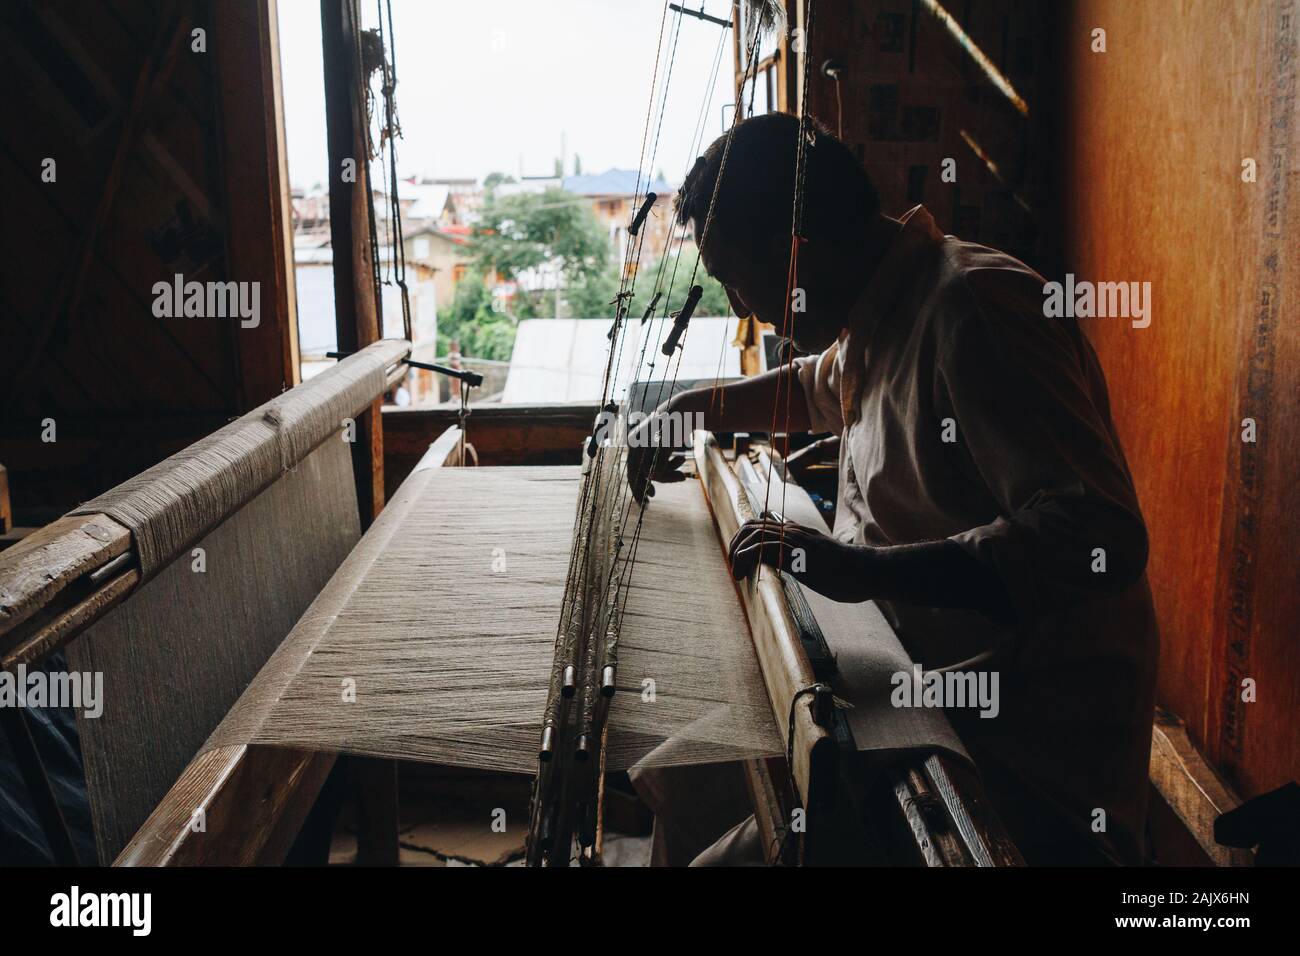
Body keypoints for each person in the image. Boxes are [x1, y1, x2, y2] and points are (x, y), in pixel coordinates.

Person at [627, 112, 1159, 866]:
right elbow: (816, 388)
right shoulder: (880, 312)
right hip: (907, 677)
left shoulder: (977, 309)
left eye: (741, 285)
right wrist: (692, 410)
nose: (746, 311)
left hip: (1011, 736)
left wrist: (860, 572)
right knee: (687, 782)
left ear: (794, 255)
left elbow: (1100, 534)